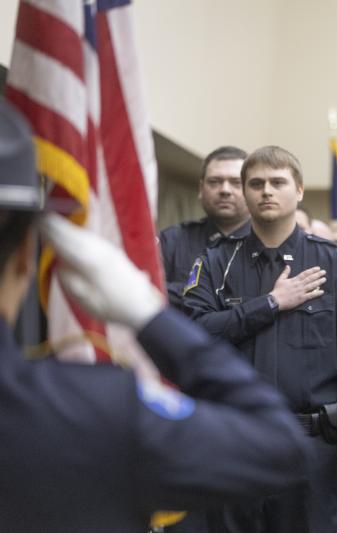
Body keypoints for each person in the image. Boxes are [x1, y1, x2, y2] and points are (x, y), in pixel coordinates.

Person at [0, 101, 308, 533]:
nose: (230, 190)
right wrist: (149, 315)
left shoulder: (324, 260)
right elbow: (279, 446)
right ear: (23, 263)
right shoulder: (94, 407)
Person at [183, 145, 337, 533]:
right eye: (255, 184)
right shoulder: (217, 261)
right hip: (235, 442)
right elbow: (192, 335)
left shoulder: (333, 264)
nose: (266, 191)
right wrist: (270, 304)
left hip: (313, 447)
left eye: (277, 182)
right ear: (244, 191)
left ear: (299, 190)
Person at [159, 146, 250, 308]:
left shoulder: (269, 242)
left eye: (236, 182)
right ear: (201, 189)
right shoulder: (172, 240)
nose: (225, 190)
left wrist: (191, 292)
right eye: (215, 182)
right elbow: (148, 291)